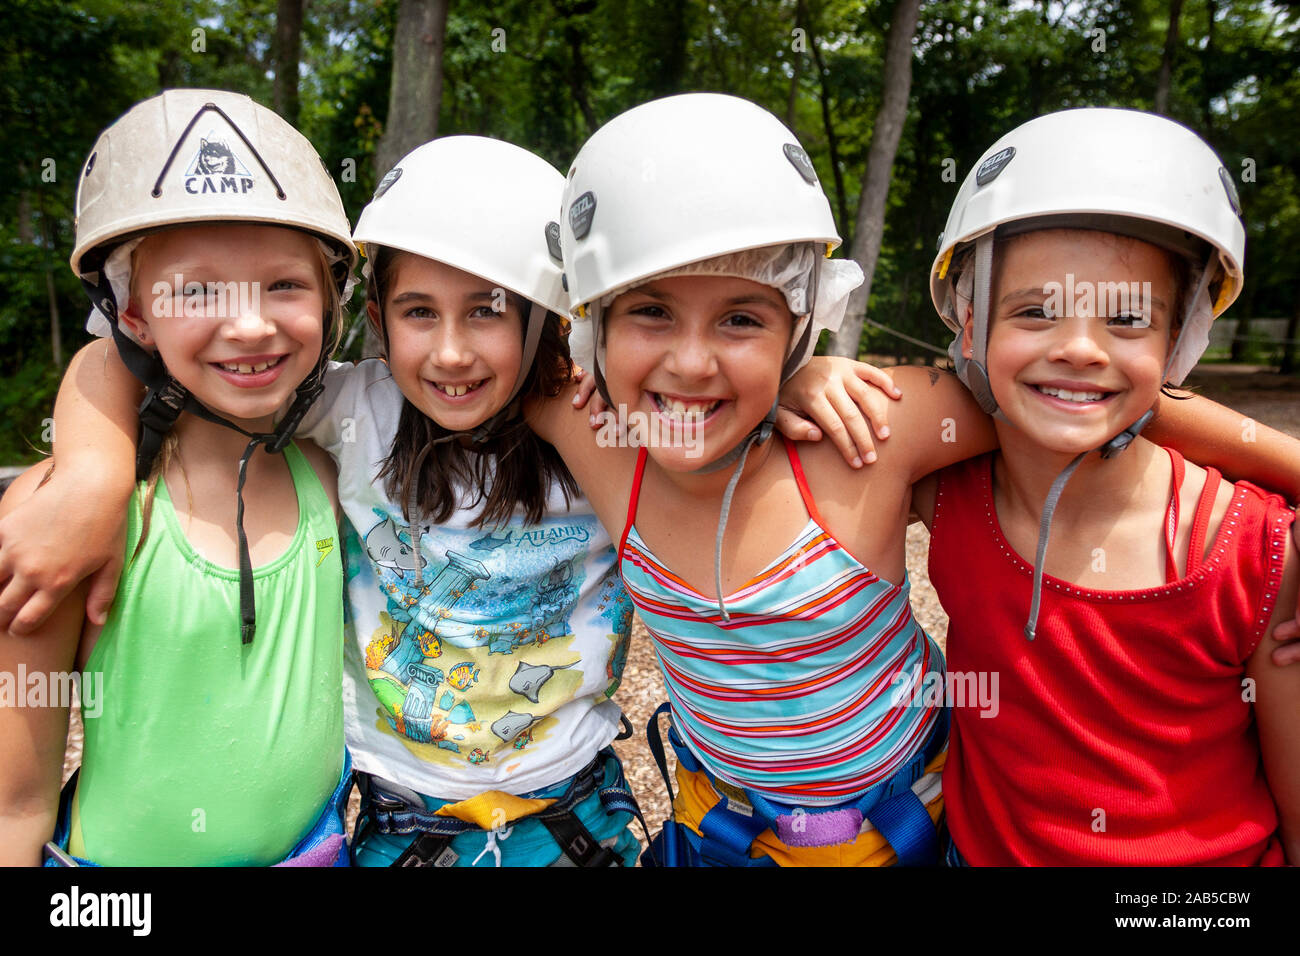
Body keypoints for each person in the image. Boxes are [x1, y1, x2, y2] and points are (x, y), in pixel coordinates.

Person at [919, 107, 1300, 864]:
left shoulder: (1261, 556)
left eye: (1127, 320)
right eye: (1035, 310)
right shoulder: (945, 488)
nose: (1079, 348)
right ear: (970, 320)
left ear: (1179, 341)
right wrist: (813, 378)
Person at [0, 89, 354, 866]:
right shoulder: (69, 520)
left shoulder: (332, 477)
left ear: (330, 304)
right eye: (198, 292)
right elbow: (14, 803)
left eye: (285, 285)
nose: (252, 324)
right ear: (131, 317)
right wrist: (92, 474)